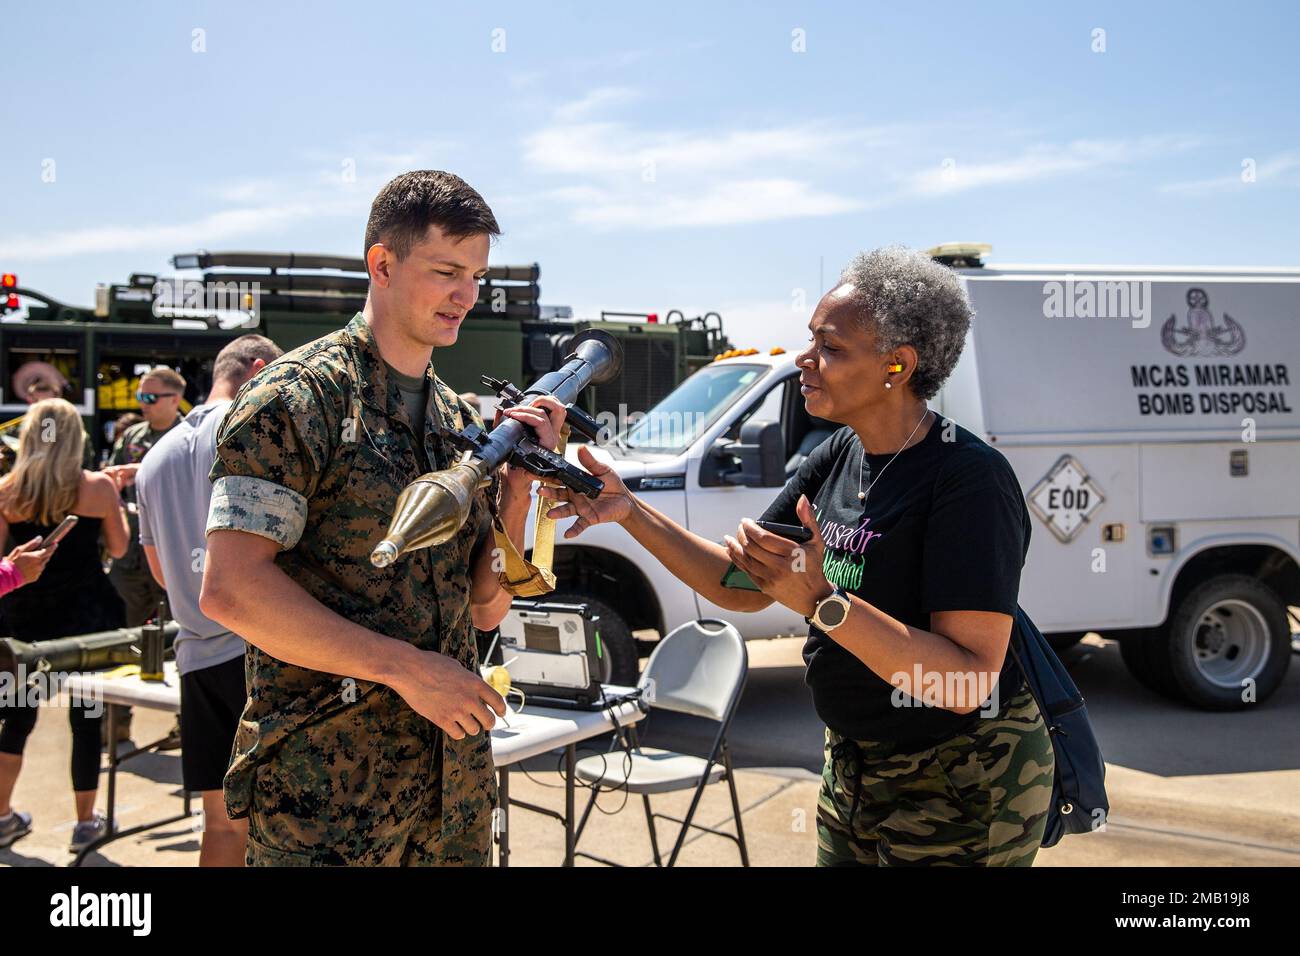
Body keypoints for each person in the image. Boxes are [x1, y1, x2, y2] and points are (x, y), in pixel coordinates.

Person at [540, 246, 1056, 867]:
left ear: (898, 365)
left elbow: (966, 680)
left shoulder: (968, 480)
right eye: (811, 341)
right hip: (857, 763)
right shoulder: (840, 454)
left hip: (964, 779)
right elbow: (742, 586)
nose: (805, 361)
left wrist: (820, 602)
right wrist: (629, 509)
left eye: (831, 349)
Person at [199, 170, 565, 866]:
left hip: (449, 797)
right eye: (447, 271)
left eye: (478, 276)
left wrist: (518, 492)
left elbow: (485, 611)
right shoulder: (298, 399)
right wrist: (406, 670)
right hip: (327, 804)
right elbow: (231, 588)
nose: (467, 296)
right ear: (383, 264)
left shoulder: (459, 423)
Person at [135, 334, 283, 867]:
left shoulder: (154, 458)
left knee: (220, 827)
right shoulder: (258, 429)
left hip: (197, 656)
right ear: (260, 369)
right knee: (289, 826)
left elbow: (160, 572)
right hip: (263, 653)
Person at [0, 399, 130, 853]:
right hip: (86, 624)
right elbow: (117, 547)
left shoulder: (6, 492)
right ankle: (84, 823)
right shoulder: (96, 488)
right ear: (77, 438)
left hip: (24, 623)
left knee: (15, 718)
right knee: (87, 719)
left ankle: (1, 817)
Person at [104, 367, 185, 627]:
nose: (142, 403)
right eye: (141, 396)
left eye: (151, 398)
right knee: (126, 623)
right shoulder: (132, 436)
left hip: (172, 546)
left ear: (174, 399)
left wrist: (141, 472)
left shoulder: (190, 437)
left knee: (176, 622)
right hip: (131, 551)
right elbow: (109, 482)